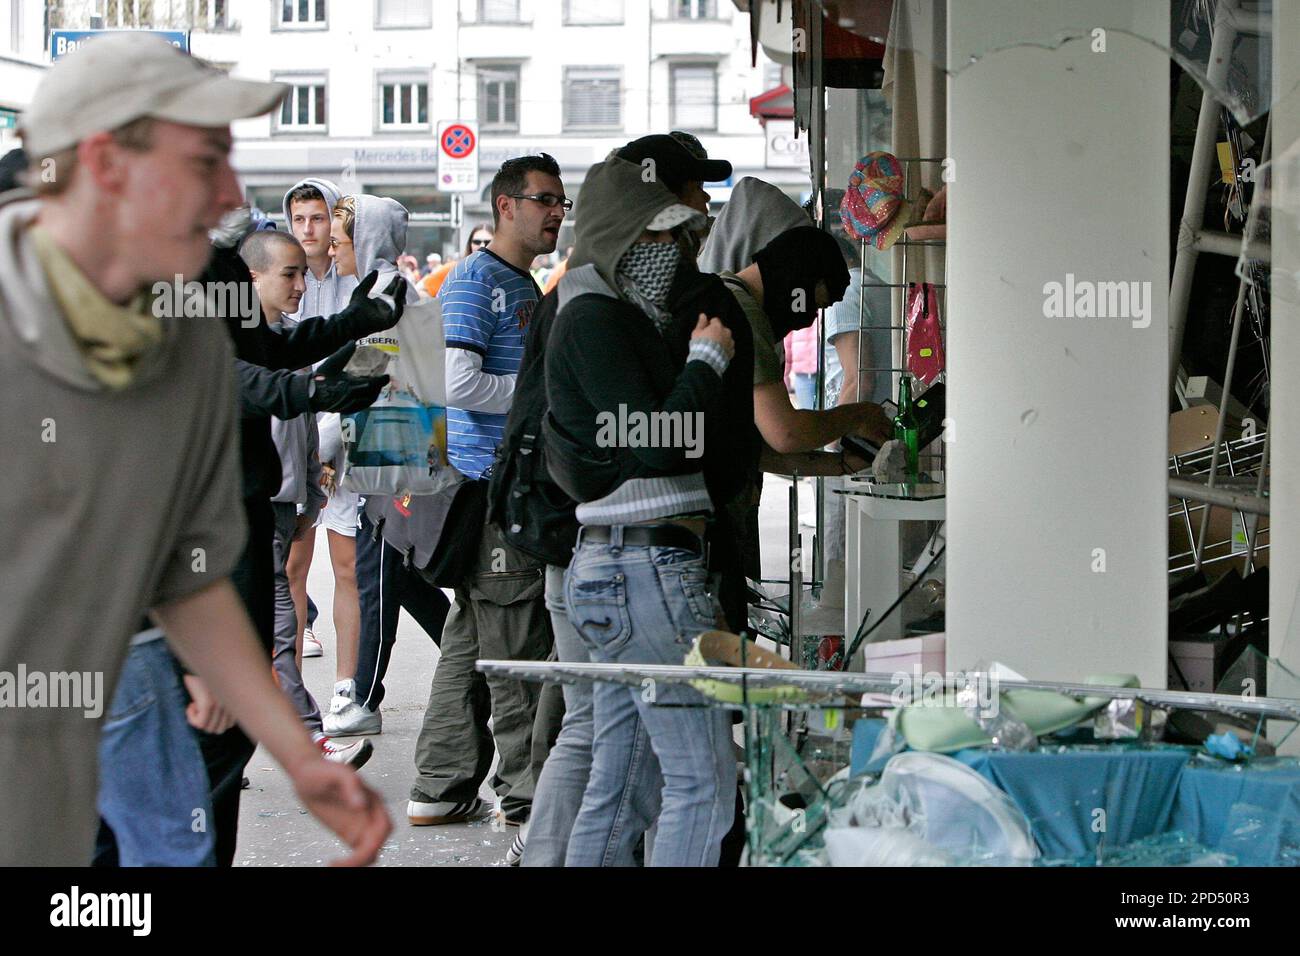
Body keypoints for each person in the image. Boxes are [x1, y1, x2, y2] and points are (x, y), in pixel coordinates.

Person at [0, 32, 390, 866]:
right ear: (106, 163)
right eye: (204, 160)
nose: (231, 192)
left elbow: (187, 566)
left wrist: (295, 755)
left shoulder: (174, 320)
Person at [519, 135, 737, 867]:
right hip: (644, 573)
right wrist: (707, 362)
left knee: (627, 780)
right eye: (661, 235)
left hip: (621, 570)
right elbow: (656, 442)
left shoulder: (608, 308)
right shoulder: (594, 316)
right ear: (622, 238)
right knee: (701, 782)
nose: (676, 250)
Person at [407, 154, 563, 829]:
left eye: (561, 202)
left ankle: (439, 787)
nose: (557, 212)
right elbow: (457, 383)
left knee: (471, 641)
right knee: (515, 650)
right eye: (544, 200)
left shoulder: (518, 280)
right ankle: (527, 797)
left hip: (495, 489)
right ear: (506, 205)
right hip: (496, 494)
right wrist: (538, 401)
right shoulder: (476, 281)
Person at [322, 193, 453, 738]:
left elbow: (359, 375)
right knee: (399, 572)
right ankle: (472, 657)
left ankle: (365, 695)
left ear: (366, 240)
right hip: (398, 448)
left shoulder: (383, 296)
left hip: (392, 450)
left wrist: (321, 440)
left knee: (381, 572)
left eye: (338, 241)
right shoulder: (391, 291)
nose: (331, 252)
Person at [243, 229, 375, 766]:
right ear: (252, 278)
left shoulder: (282, 338)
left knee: (265, 632)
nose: (301, 284)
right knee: (275, 630)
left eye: (303, 272)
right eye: (288, 274)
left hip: (282, 507)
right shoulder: (234, 343)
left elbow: (298, 430)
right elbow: (276, 399)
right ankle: (309, 741)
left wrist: (307, 505)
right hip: (247, 513)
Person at [281, 178, 360, 663]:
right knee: (293, 564)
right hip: (297, 441)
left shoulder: (354, 280)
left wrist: (326, 441)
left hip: (347, 439)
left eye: (318, 217)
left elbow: (367, 366)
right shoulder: (280, 279)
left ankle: (349, 686)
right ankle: (288, 675)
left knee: (349, 567)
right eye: (299, 219)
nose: (309, 229)